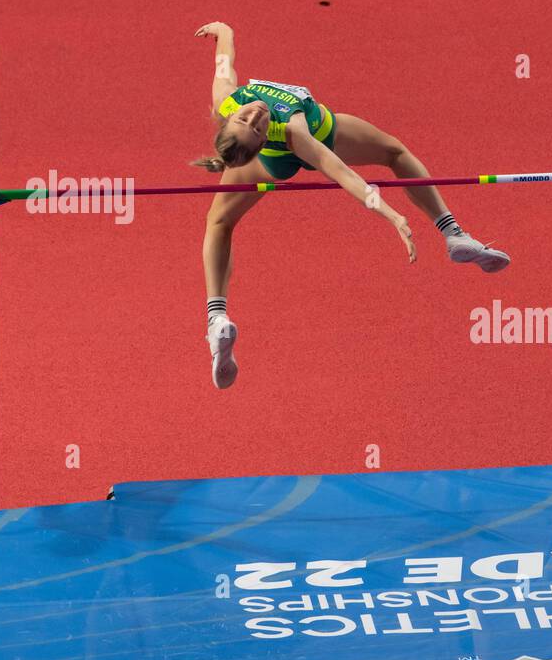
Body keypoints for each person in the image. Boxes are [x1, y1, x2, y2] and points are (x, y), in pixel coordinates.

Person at [193, 21, 510, 389]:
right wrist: (390, 214)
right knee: (395, 151)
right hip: (323, 134)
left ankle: (216, 320)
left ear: (232, 114)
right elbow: (343, 175)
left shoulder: (227, 99)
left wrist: (225, 31)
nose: (258, 115)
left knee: (219, 222)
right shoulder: (292, 130)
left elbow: (224, 63)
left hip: (278, 155)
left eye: (249, 119)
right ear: (263, 139)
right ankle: (453, 234)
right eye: (257, 127)